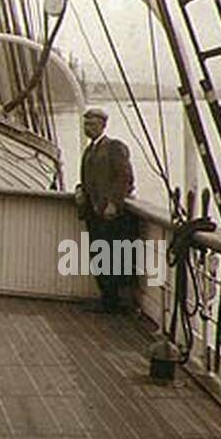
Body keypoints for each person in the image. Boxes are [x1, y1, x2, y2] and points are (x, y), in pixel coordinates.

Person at [75, 106, 137, 313]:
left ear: (103, 125)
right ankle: (106, 297)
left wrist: (113, 203)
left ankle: (114, 301)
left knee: (113, 255)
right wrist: (80, 190)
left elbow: (124, 178)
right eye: (86, 123)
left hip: (110, 215)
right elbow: (87, 179)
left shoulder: (114, 147)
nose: (87, 127)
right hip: (94, 213)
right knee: (98, 255)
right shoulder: (89, 151)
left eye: (92, 124)